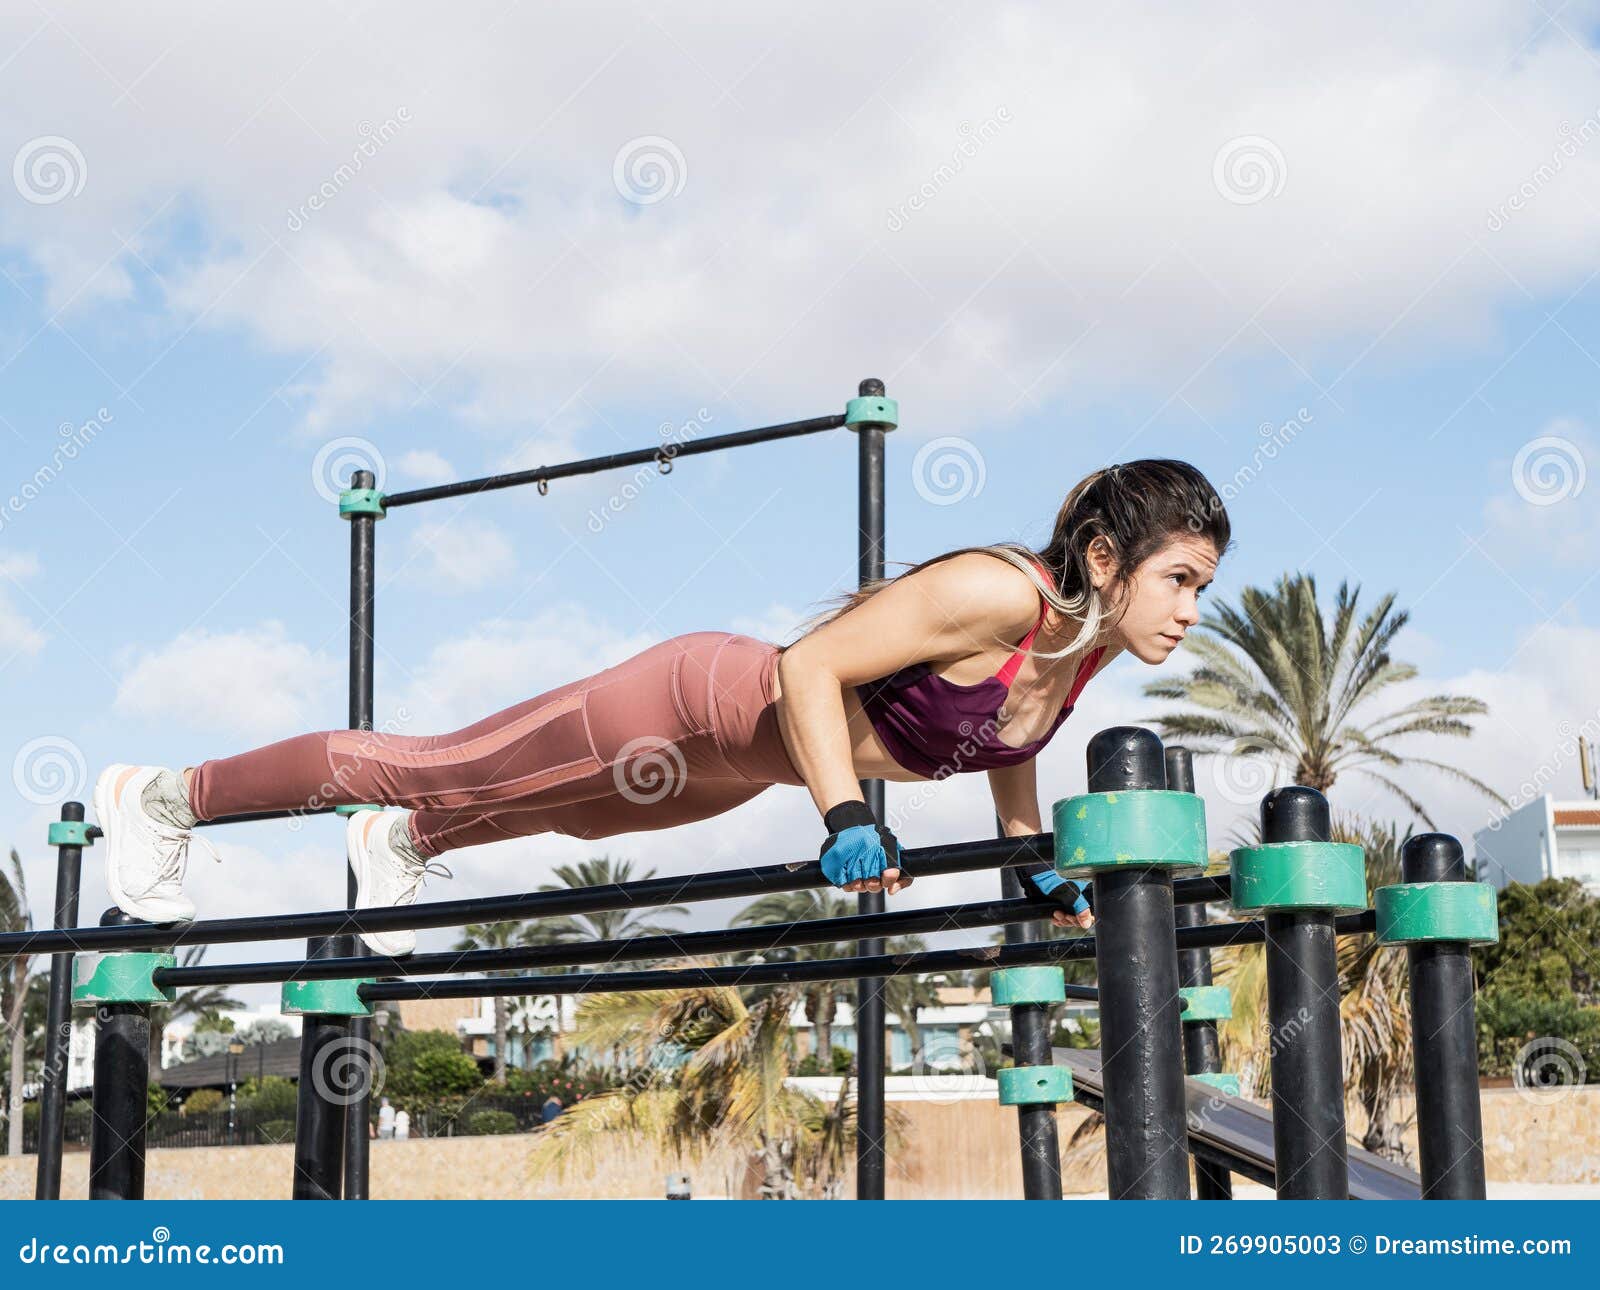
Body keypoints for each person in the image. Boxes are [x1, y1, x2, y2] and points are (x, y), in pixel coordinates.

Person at [92, 459, 1228, 956]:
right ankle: (165, 798)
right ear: (1099, 553)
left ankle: (408, 842)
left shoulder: (1084, 651)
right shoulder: (997, 589)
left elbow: (1000, 744)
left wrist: (1025, 864)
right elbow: (811, 669)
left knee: (569, 819)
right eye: (1178, 580)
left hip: (740, 765)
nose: (1188, 610)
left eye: (1202, 589)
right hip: (696, 700)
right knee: (434, 759)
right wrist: (844, 821)